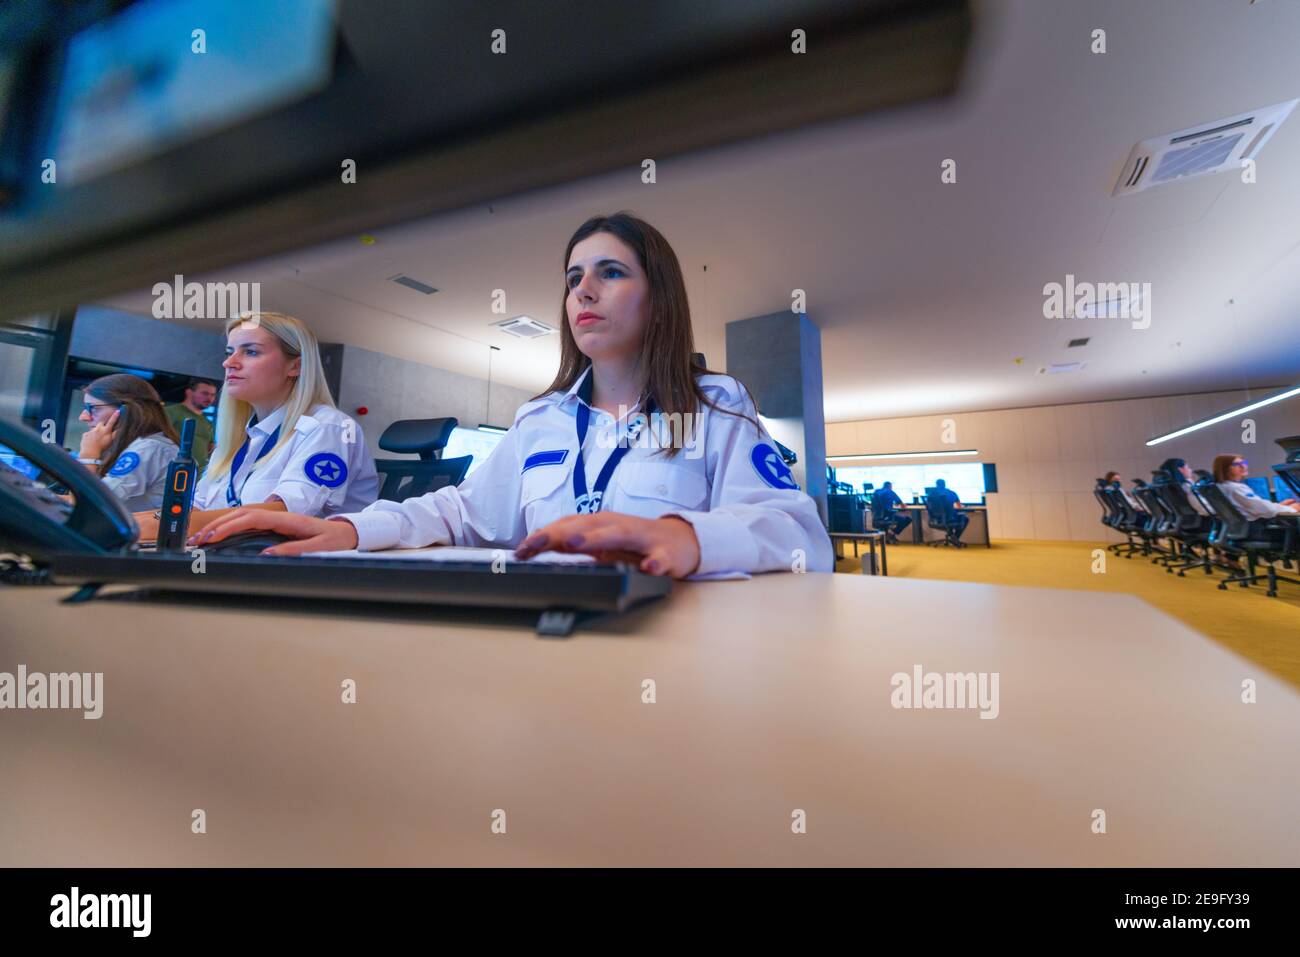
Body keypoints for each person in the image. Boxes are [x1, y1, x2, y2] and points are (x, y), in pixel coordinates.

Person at [192, 211, 835, 578]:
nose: (583, 290)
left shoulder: (715, 404)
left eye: (610, 273)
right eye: (573, 277)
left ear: (659, 298)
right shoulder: (540, 419)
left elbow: (799, 531)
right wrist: (346, 528)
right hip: (551, 637)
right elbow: (458, 513)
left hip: (677, 641)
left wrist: (685, 537)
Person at [133, 311, 379, 541]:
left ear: (295, 366)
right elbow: (196, 507)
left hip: (297, 572)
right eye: (230, 352)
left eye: (250, 352)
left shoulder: (328, 426)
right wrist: (142, 521)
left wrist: (150, 526)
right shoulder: (242, 436)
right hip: (237, 556)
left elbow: (281, 514)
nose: (229, 363)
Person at [75, 374, 179, 511]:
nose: (83, 417)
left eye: (93, 408)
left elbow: (89, 503)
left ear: (125, 411)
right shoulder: (135, 446)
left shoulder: (150, 449)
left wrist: (88, 455)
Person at [1212, 454, 1298, 520]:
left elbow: (1254, 507)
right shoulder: (1235, 488)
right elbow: (1264, 509)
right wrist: (1291, 508)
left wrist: (1278, 506)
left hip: (1244, 530)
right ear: (1225, 468)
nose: (1243, 466)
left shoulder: (1222, 486)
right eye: (1236, 464)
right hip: (1257, 530)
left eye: (1243, 463)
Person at [165, 377, 218, 473]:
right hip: (173, 472)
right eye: (205, 393)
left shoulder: (207, 422)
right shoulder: (171, 412)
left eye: (213, 395)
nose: (209, 398)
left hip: (198, 476)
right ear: (189, 392)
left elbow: (210, 448)